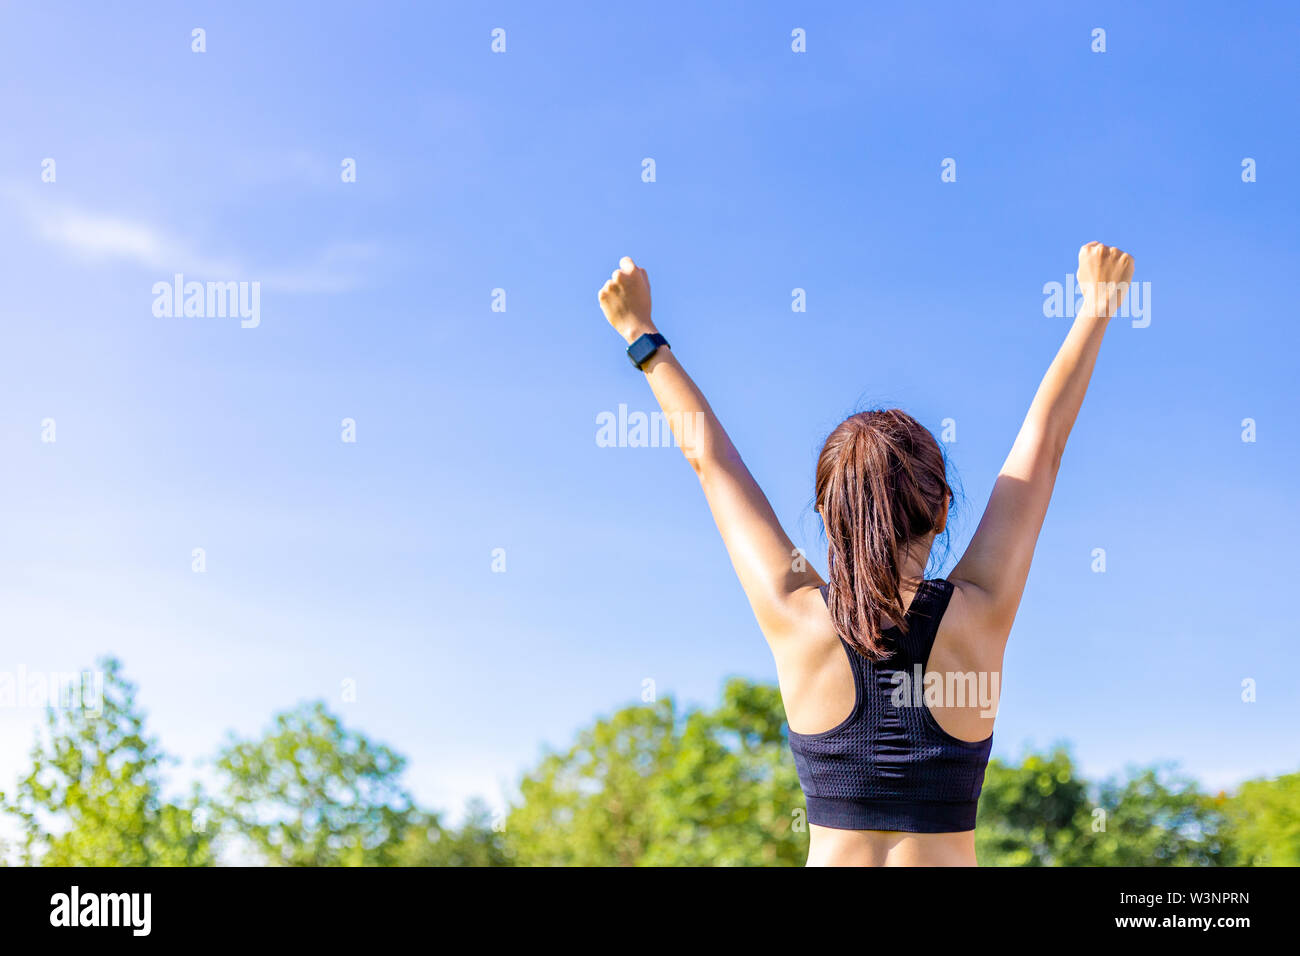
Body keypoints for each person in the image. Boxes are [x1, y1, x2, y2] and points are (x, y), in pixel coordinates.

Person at [596, 243, 1135, 866]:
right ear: (940, 511)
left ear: (827, 516)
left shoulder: (796, 616)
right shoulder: (979, 612)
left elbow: (710, 463)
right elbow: (1044, 449)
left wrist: (641, 334)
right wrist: (1096, 306)